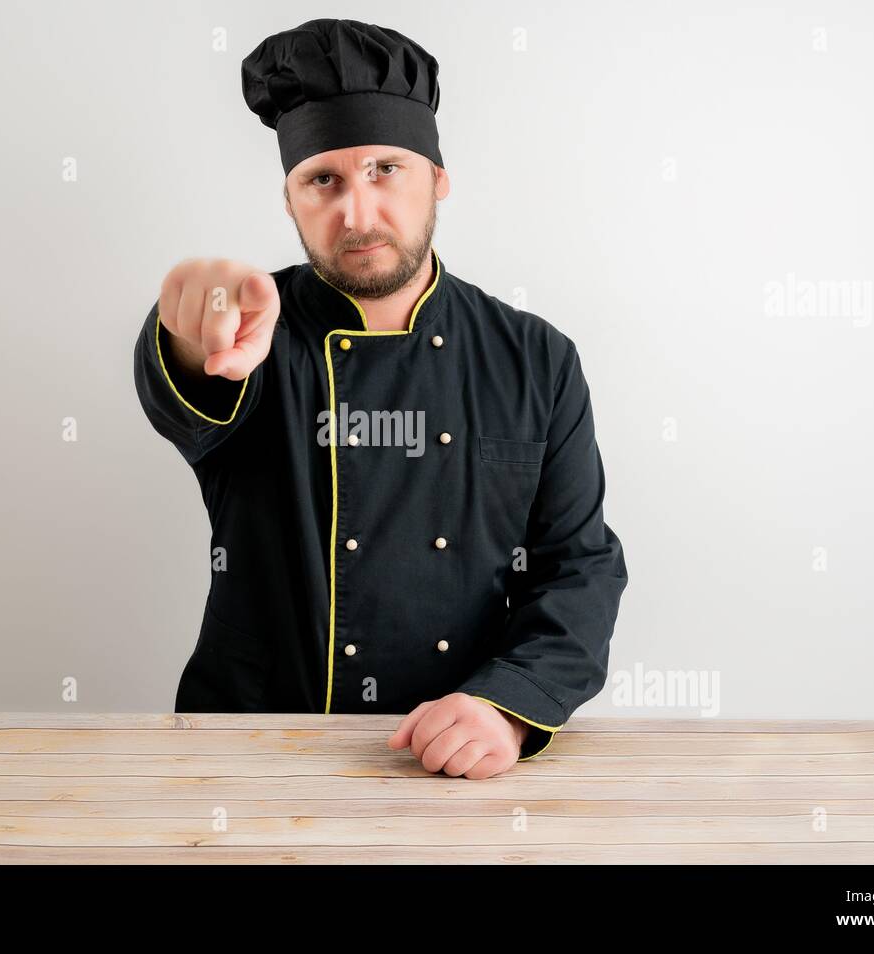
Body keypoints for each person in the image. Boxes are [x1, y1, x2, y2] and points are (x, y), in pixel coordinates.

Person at [133, 18, 627, 779]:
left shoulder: (535, 359)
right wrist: (193, 339)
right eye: (322, 179)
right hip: (245, 759)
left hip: (452, 761)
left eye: (386, 169)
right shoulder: (257, 337)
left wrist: (508, 705)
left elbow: (578, 568)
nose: (356, 213)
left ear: (439, 176)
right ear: (291, 200)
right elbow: (190, 390)